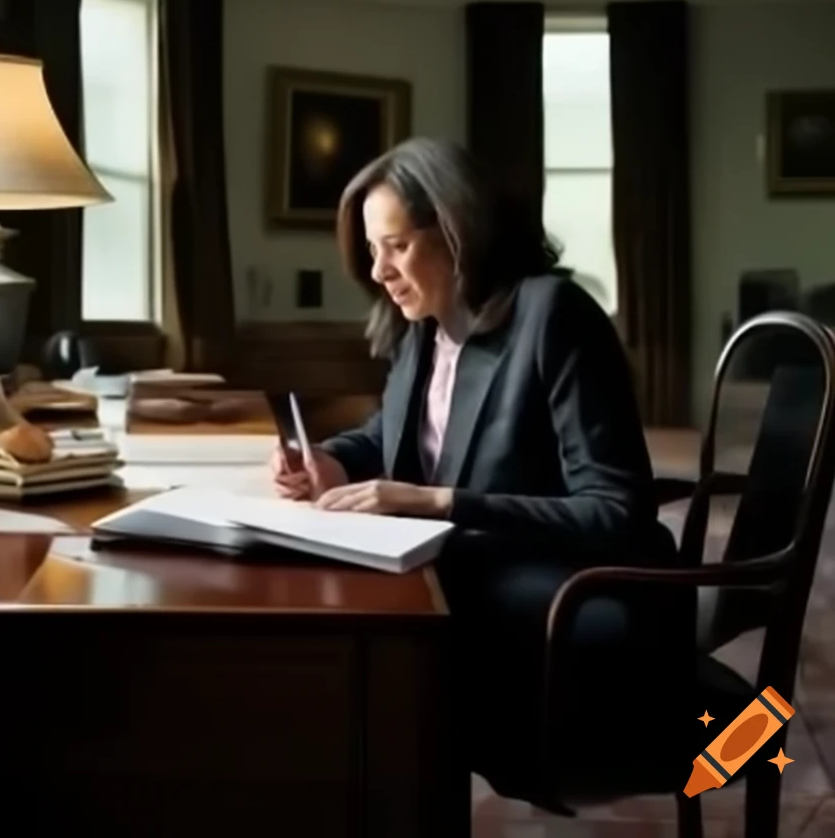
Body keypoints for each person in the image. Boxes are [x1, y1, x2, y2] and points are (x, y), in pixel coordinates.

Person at [267, 137, 693, 803]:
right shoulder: (424, 327)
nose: (379, 270)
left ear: (458, 230)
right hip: (494, 578)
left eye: (396, 245)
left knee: (399, 664)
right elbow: (393, 433)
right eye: (372, 250)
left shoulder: (553, 313)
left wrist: (436, 502)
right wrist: (333, 458)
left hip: (586, 596)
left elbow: (615, 511)